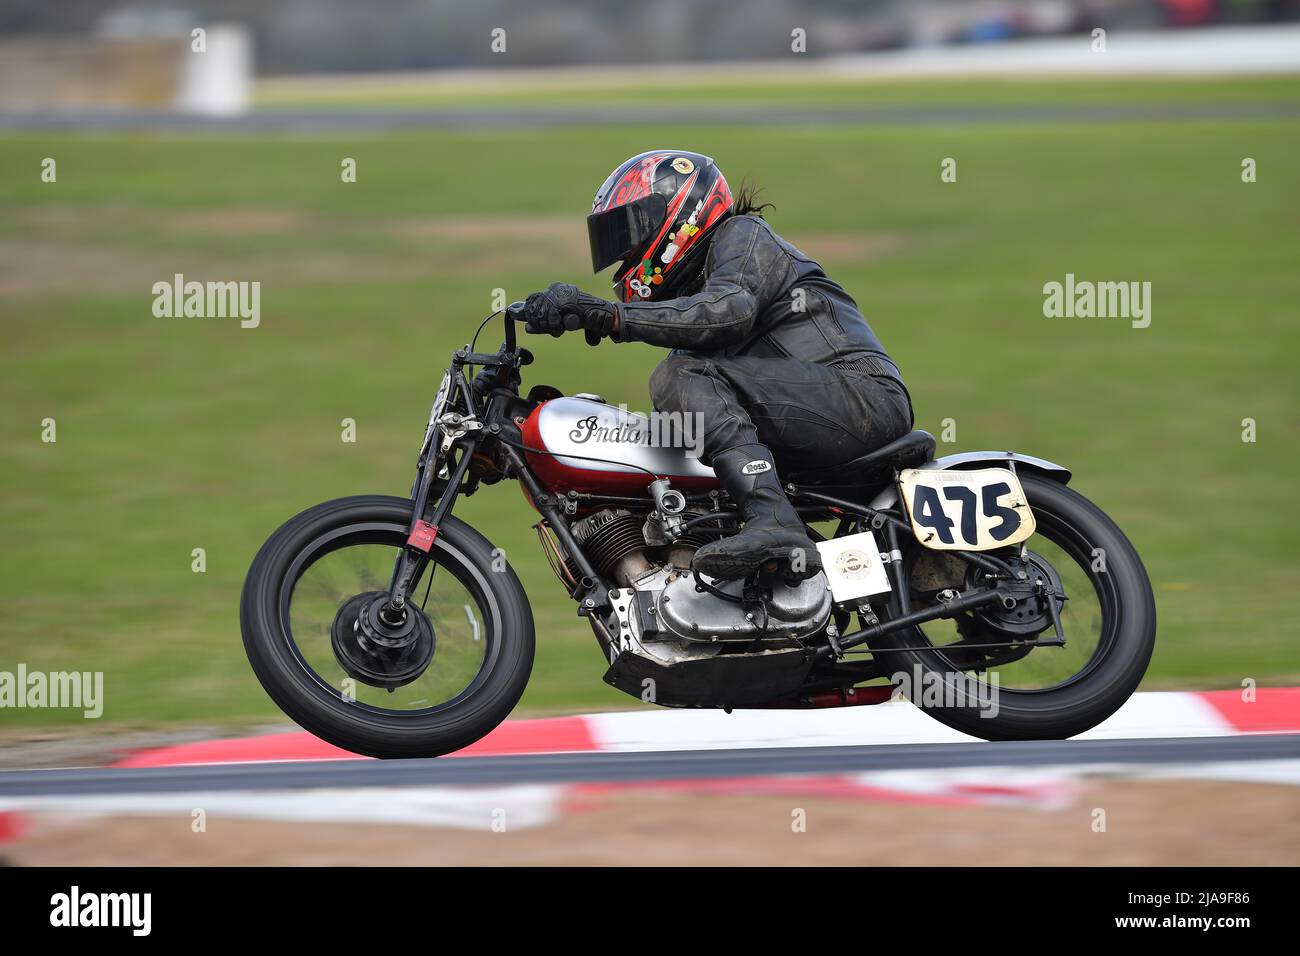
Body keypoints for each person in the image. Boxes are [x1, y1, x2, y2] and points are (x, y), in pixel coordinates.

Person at [523, 149, 913, 582]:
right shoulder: (700, 323)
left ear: (680, 211)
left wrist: (611, 316)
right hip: (818, 413)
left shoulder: (742, 236)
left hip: (862, 396)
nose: (623, 255)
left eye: (629, 234)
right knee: (677, 435)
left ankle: (774, 524)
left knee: (678, 379)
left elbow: (727, 312)